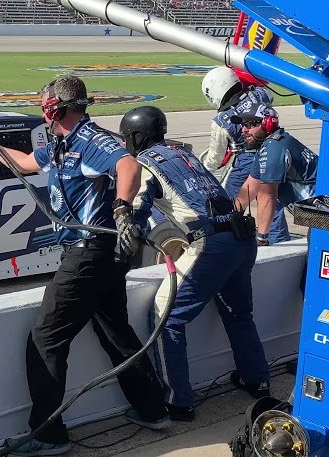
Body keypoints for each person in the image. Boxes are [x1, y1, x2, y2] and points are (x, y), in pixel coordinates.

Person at [0, 75, 172, 457]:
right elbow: (23, 163)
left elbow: (128, 166)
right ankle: (153, 409)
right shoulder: (59, 145)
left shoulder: (90, 139)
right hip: (99, 257)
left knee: (45, 339)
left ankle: (48, 434)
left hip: (90, 253)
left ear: (56, 108)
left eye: (42, 104)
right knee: (115, 332)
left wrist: (121, 208)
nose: (40, 110)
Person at [116, 105, 271, 422]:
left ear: (134, 136)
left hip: (211, 244)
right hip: (243, 238)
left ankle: (178, 401)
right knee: (238, 313)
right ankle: (256, 380)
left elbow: (138, 214)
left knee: (166, 317)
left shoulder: (144, 163)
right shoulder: (183, 154)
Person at [199, 67, 290, 243]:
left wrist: (202, 169)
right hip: (274, 148)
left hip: (247, 159)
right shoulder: (261, 94)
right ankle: (279, 239)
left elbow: (215, 159)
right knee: (272, 198)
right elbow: (269, 97)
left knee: (229, 201)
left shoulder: (221, 120)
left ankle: (227, 238)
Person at [231, 96, 319, 248]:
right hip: (320, 215)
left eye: (250, 124)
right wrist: (231, 216)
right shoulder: (269, 145)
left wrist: (261, 239)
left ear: (267, 123)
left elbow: (267, 195)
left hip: (323, 214)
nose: (244, 130)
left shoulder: (274, 147)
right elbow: (250, 186)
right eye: (243, 125)